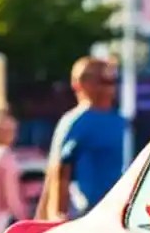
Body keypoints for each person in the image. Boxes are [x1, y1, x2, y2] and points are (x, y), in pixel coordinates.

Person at [38, 58, 131, 221]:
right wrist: (56, 215)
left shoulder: (121, 121)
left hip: (120, 211)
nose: (108, 87)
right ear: (79, 84)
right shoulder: (75, 122)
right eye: (101, 81)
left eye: (111, 81)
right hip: (87, 214)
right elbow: (58, 171)